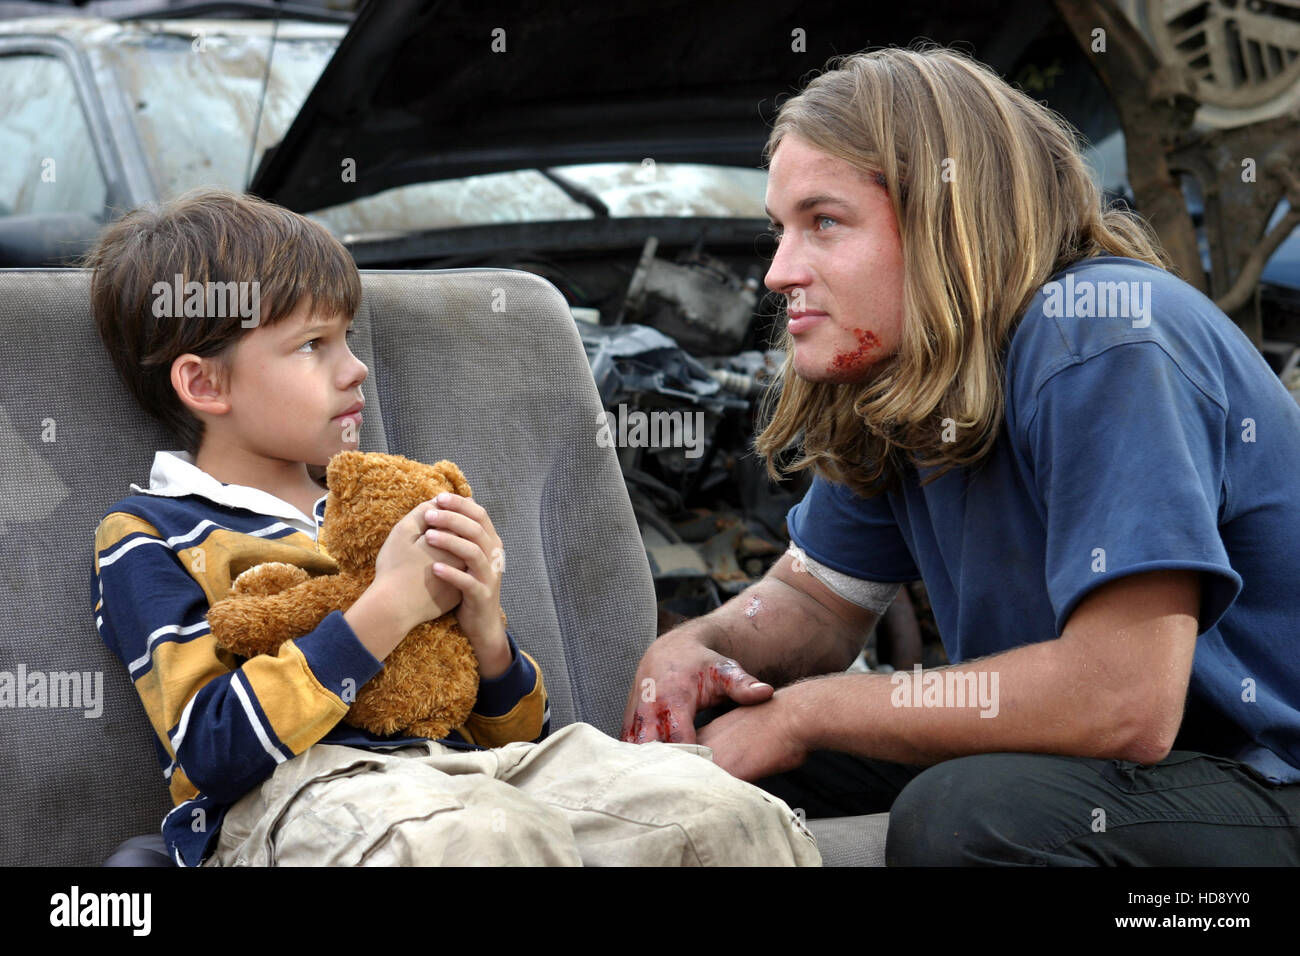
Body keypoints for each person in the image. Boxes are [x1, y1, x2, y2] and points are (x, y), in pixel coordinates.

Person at [622, 45, 1300, 865]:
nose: (776, 272)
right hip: (1128, 767)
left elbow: (1122, 700)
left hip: (1267, 773)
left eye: (823, 222)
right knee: (703, 750)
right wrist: (703, 645)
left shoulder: (1103, 337)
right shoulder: (905, 369)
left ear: (947, 217)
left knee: (967, 817)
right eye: (780, 229)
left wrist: (806, 714)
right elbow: (817, 602)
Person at [89, 187, 819, 867]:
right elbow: (208, 750)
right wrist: (386, 608)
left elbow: (523, 737)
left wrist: (487, 629)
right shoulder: (151, 534)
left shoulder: (391, 505)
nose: (356, 369)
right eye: (313, 345)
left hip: (481, 774)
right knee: (482, 834)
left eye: (347, 339)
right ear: (205, 383)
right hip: (304, 797)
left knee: (719, 811)